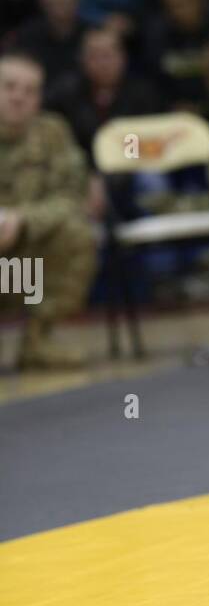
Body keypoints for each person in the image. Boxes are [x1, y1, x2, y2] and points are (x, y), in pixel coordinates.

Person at [0, 51, 95, 369]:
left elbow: (70, 198)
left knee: (76, 235)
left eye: (30, 91)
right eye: (9, 87)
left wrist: (23, 220)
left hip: (21, 273)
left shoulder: (53, 133)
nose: (18, 98)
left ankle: (38, 342)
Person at [46, 27, 161, 159]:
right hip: (79, 166)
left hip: (132, 163)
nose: (102, 63)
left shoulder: (143, 93)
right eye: (94, 56)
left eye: (108, 55)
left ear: (123, 57)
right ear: (82, 60)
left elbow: (148, 139)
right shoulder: (64, 92)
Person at [10, 0, 86, 89]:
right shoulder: (27, 35)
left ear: (78, 0)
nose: (63, 7)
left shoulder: (90, 37)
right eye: (57, 1)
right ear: (43, 2)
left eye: (68, 0)